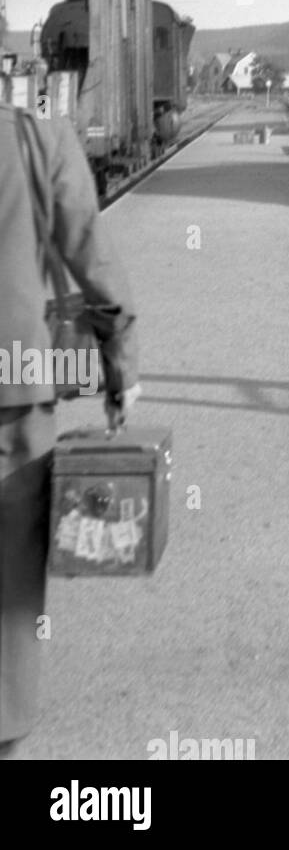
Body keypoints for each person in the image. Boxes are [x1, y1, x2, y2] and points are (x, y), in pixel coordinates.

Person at [0, 92, 140, 759]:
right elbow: (92, 258)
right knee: (9, 572)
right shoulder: (36, 139)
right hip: (13, 391)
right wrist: (120, 366)